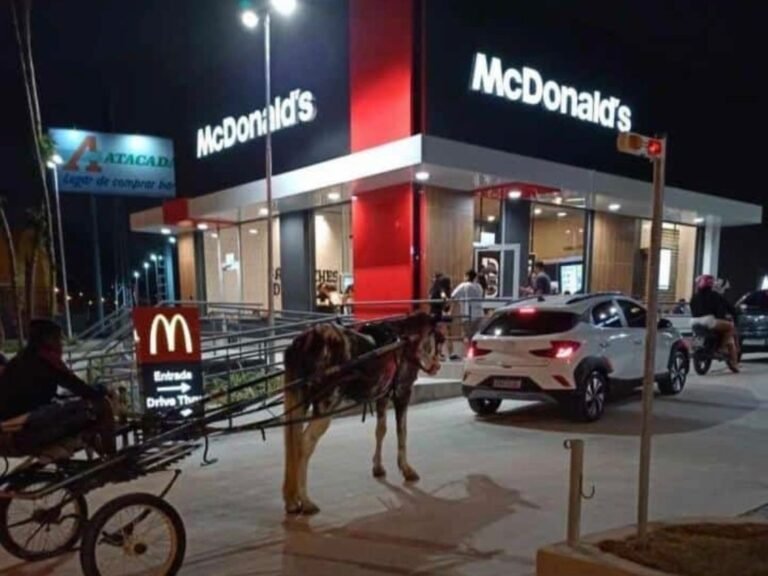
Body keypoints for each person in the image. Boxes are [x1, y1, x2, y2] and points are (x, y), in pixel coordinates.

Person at [0, 319, 116, 456]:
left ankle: (97, 447)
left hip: (14, 429)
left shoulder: (20, 360)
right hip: (27, 429)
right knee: (102, 405)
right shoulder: (46, 359)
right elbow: (80, 388)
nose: (61, 344)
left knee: (74, 406)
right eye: (58, 339)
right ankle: (112, 457)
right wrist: (103, 389)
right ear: (47, 339)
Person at [690, 275, 739, 370]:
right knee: (730, 327)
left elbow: (693, 309)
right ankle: (722, 347)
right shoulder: (714, 295)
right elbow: (724, 309)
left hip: (694, 321)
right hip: (709, 321)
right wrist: (732, 314)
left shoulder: (694, 297)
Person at [451, 270, 485, 350]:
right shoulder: (479, 286)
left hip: (468, 314)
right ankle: (476, 352)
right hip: (479, 314)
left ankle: (469, 353)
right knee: (476, 336)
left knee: (467, 335)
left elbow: (453, 296)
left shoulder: (464, 285)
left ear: (467, 276)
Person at [428, 274, 454, 360]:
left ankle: (437, 353)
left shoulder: (433, 289)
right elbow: (444, 298)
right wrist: (446, 303)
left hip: (432, 313)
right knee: (441, 335)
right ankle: (441, 353)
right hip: (439, 314)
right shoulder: (442, 290)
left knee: (436, 335)